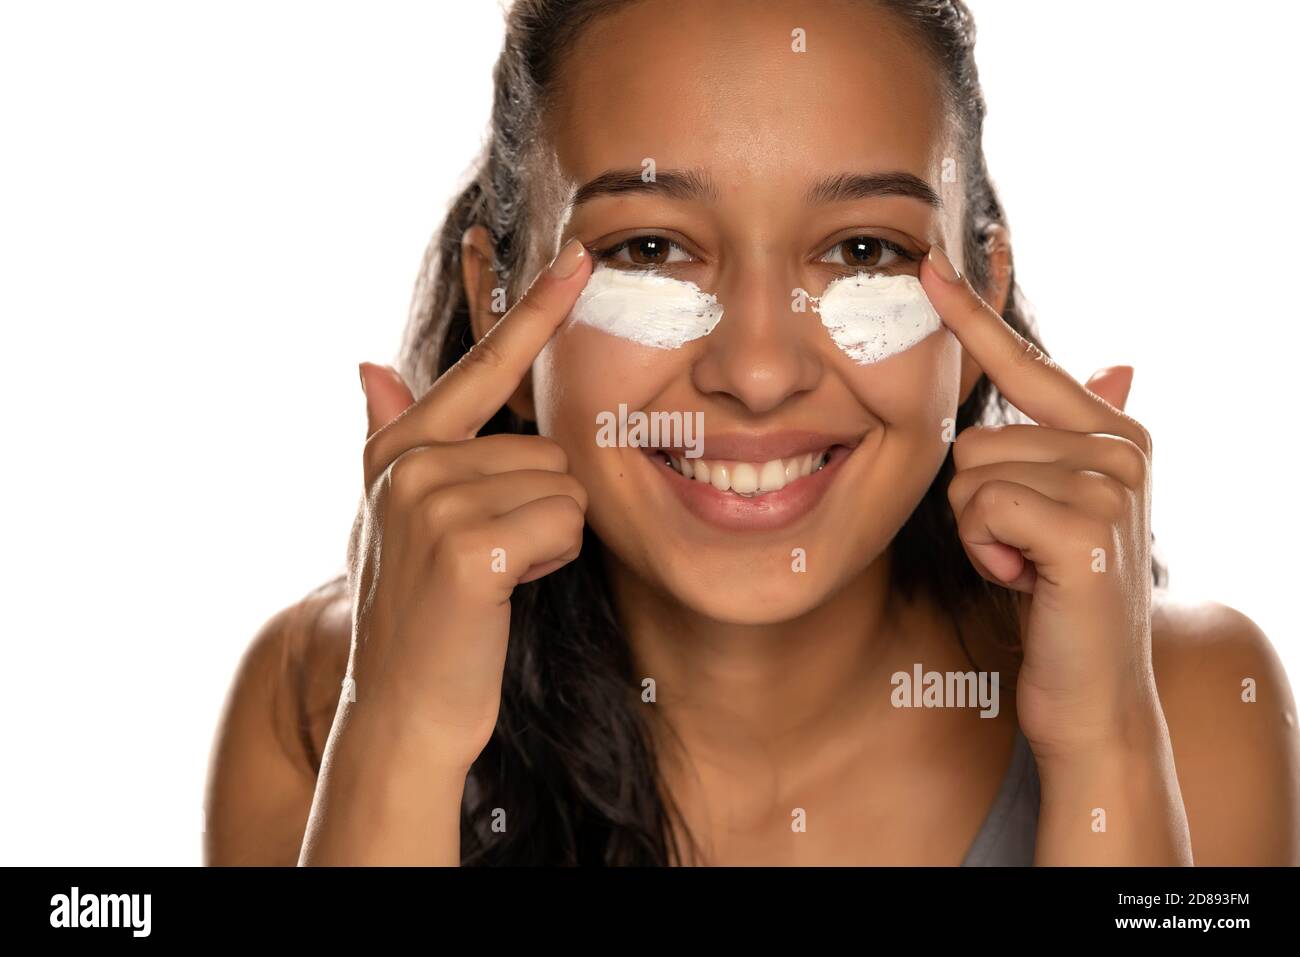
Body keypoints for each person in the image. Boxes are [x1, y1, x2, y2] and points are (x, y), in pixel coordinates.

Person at [204, 0, 1298, 866]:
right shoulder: (315, 702)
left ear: (980, 304)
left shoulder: (1191, 700)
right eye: (649, 251)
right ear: (498, 304)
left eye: (863, 252)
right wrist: (397, 740)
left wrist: (1104, 747)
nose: (761, 372)